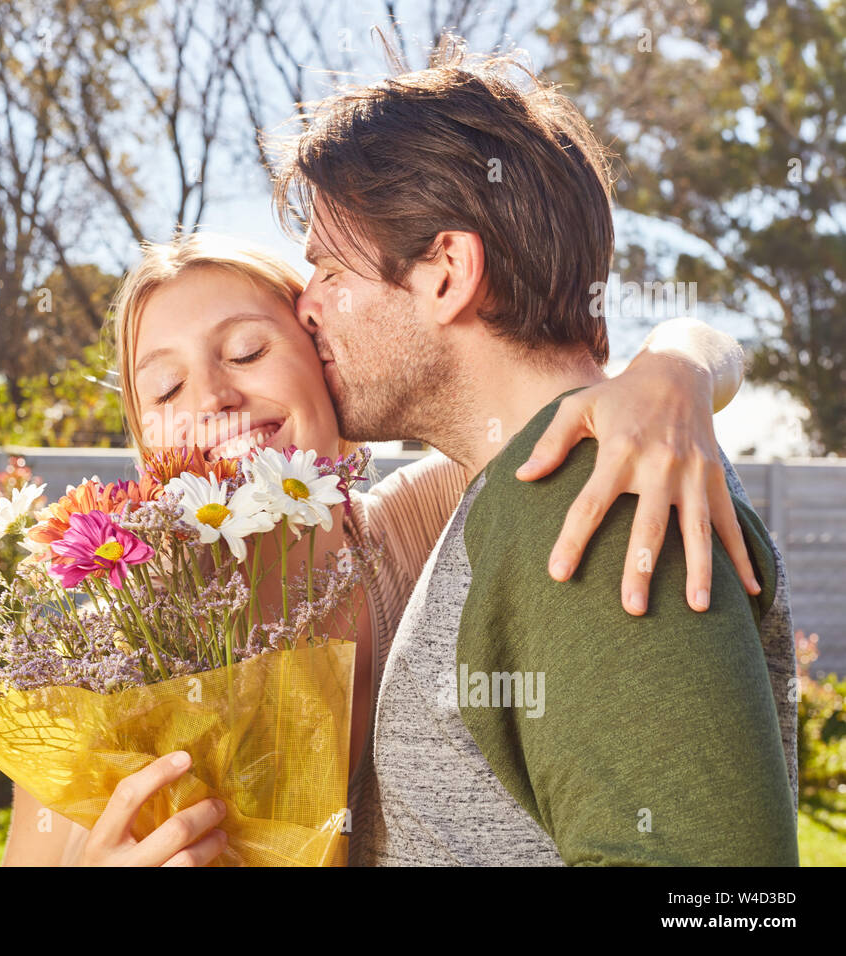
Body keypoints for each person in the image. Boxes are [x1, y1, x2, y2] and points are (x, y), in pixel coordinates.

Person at [0, 228, 758, 866]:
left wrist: (676, 369)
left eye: (247, 350)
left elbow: (599, 387)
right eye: (165, 390)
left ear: (325, 363)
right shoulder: (107, 663)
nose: (213, 398)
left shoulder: (428, 516)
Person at [272, 43, 798, 865]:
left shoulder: (604, 498)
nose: (303, 307)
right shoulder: (528, 485)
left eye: (330, 270)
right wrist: (687, 359)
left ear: (447, 271)